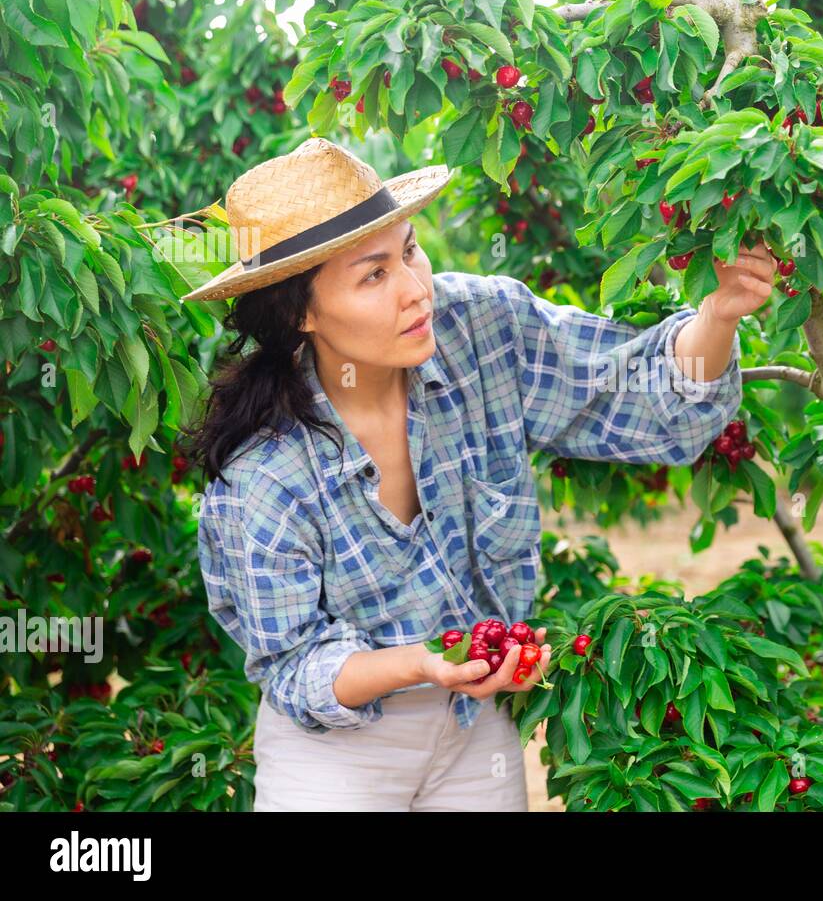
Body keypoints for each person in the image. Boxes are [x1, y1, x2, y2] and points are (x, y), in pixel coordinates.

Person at [177, 137, 776, 810]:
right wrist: (424, 663)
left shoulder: (482, 329)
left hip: (476, 724)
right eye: (373, 275)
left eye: (409, 251)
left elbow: (642, 396)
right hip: (337, 749)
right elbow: (295, 666)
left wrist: (717, 315)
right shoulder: (266, 472)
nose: (415, 289)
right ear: (302, 314)